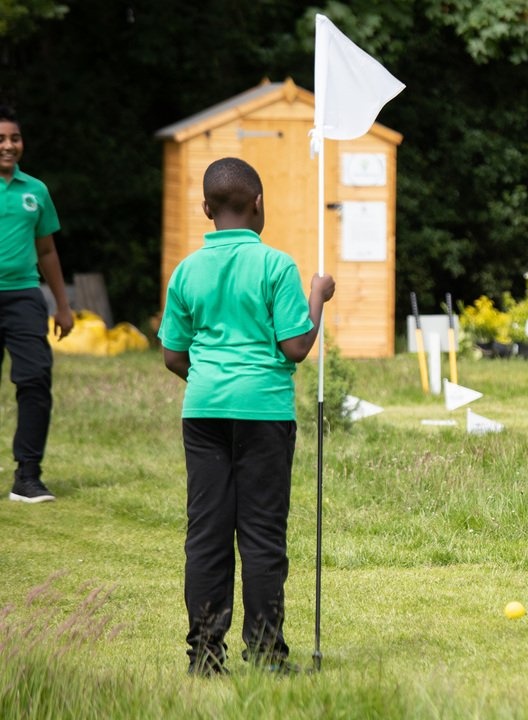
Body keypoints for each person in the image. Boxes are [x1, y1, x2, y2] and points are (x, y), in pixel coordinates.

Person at [158, 157, 335, 676]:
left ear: (206, 208)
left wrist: (213, 383)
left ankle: (206, 657)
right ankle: (265, 654)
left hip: (205, 411)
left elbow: (172, 355)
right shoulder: (277, 266)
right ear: (259, 203)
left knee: (207, 534)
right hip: (264, 413)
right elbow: (297, 346)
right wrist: (318, 297)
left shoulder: (187, 270)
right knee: (260, 534)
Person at [0, 105, 74, 503]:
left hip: (25, 295)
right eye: (1, 139)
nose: (9, 146)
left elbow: (46, 250)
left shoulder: (36, 190)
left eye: (14, 138)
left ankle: (27, 477)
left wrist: (62, 305)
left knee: (35, 380)